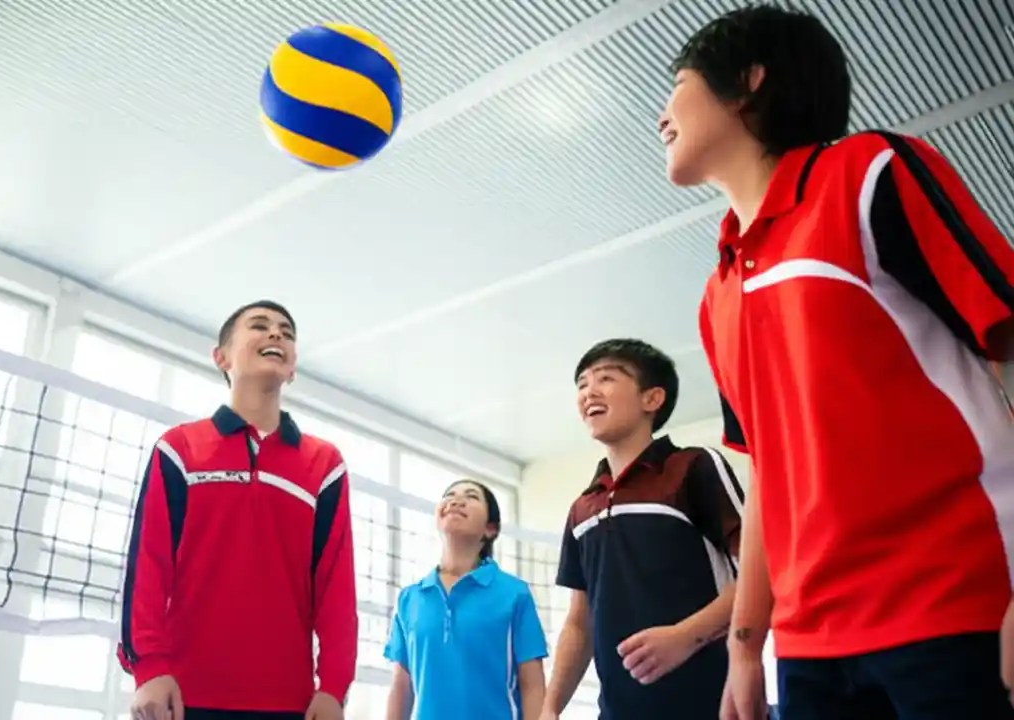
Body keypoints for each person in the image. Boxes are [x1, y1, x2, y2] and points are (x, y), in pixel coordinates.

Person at [660, 5, 1014, 719]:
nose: (661, 115)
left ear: (747, 83)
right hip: (809, 647)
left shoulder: (871, 172)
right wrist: (744, 644)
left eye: (676, 84)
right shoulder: (716, 292)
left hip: (953, 604)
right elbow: (768, 473)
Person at [119, 299, 358, 720]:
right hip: (182, 695)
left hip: (290, 704)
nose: (276, 335)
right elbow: (148, 564)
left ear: (293, 366)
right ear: (221, 357)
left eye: (286, 331)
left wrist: (334, 687)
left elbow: (336, 585)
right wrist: (149, 667)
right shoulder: (179, 448)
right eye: (260, 326)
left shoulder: (325, 465)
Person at [541, 339, 744, 720]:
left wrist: (687, 636)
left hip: (710, 704)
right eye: (582, 384)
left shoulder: (693, 467)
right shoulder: (582, 509)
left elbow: (759, 574)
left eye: (606, 378)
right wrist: (550, 706)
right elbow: (578, 623)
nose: (589, 392)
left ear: (652, 399)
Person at [384, 478, 548, 720]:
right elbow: (401, 688)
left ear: (490, 529)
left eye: (471, 496)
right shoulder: (410, 599)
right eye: (450, 495)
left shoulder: (515, 594)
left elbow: (532, 686)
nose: (456, 500)